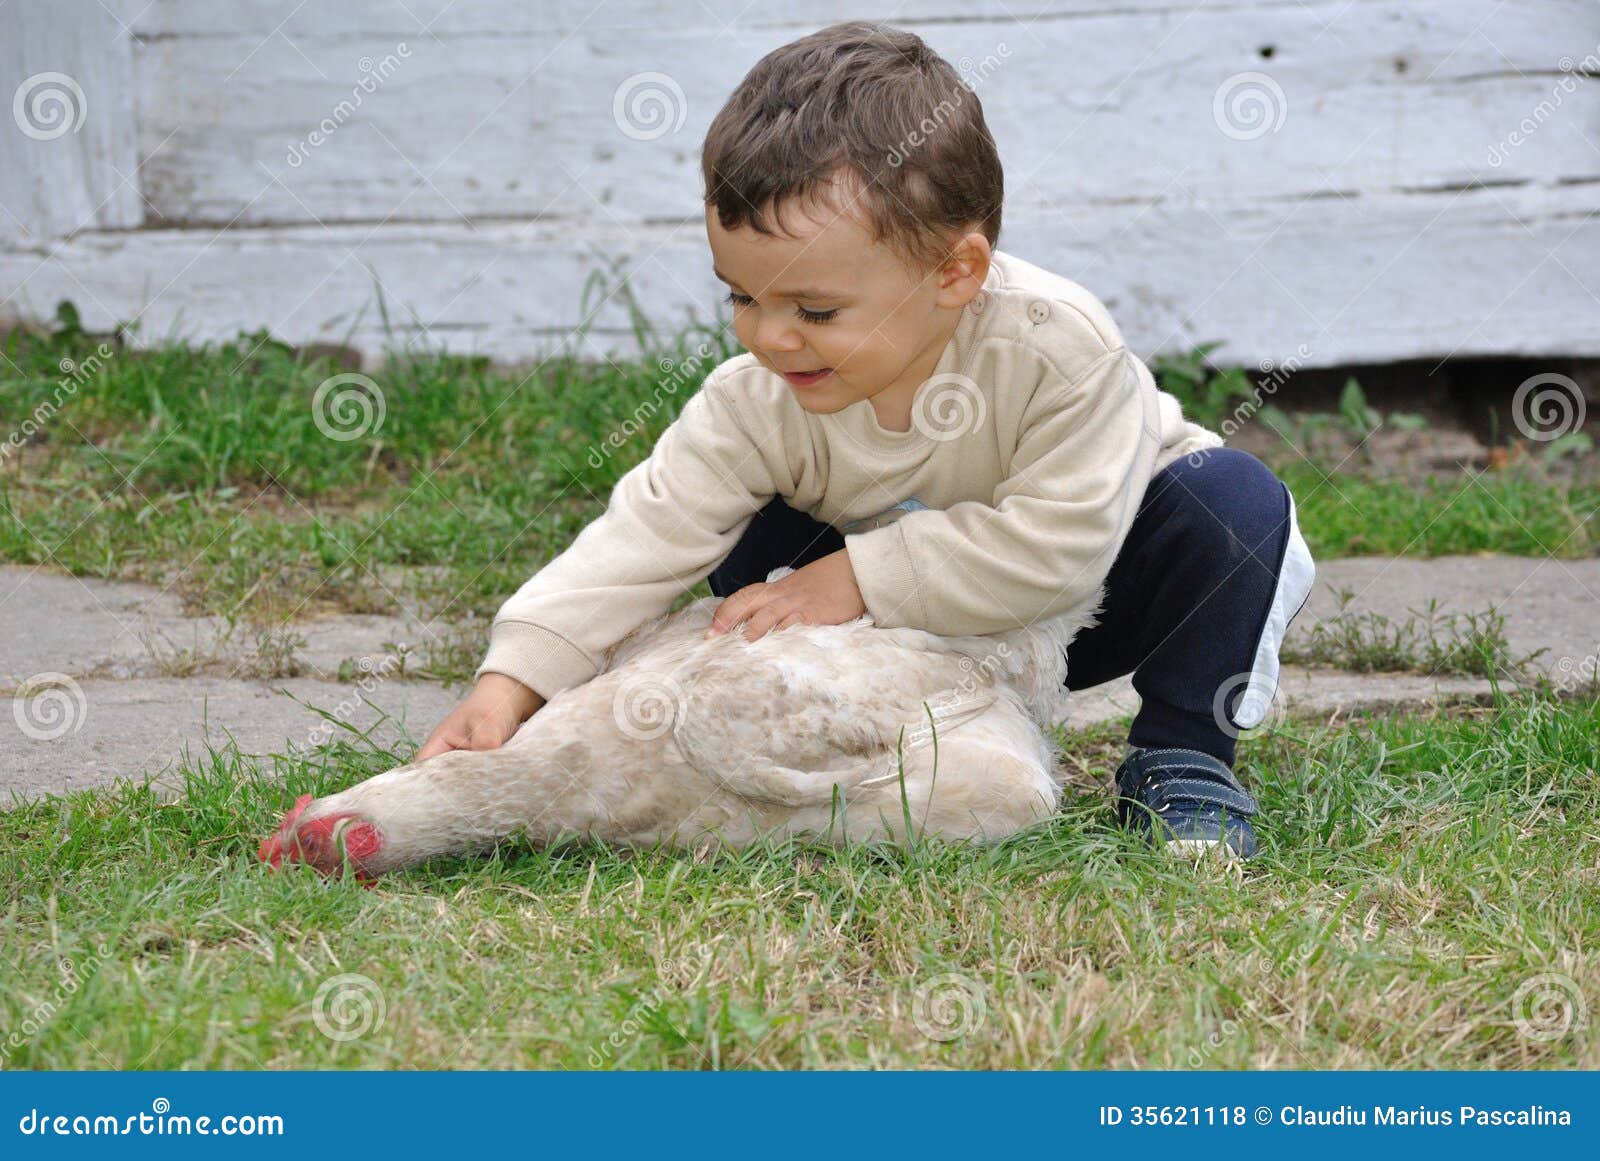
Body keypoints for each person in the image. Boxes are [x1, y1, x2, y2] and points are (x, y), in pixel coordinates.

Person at [417, 20, 1315, 860]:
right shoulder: (761, 395)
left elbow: (1064, 549)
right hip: (898, 638)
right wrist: (510, 684)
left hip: (1090, 600)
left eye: (814, 309)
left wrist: (856, 575)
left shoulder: (1058, 348)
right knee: (745, 526)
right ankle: (867, 737)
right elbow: (642, 536)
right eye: (740, 295)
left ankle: (1184, 754)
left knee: (1230, 504)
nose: (770, 337)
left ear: (955, 272)